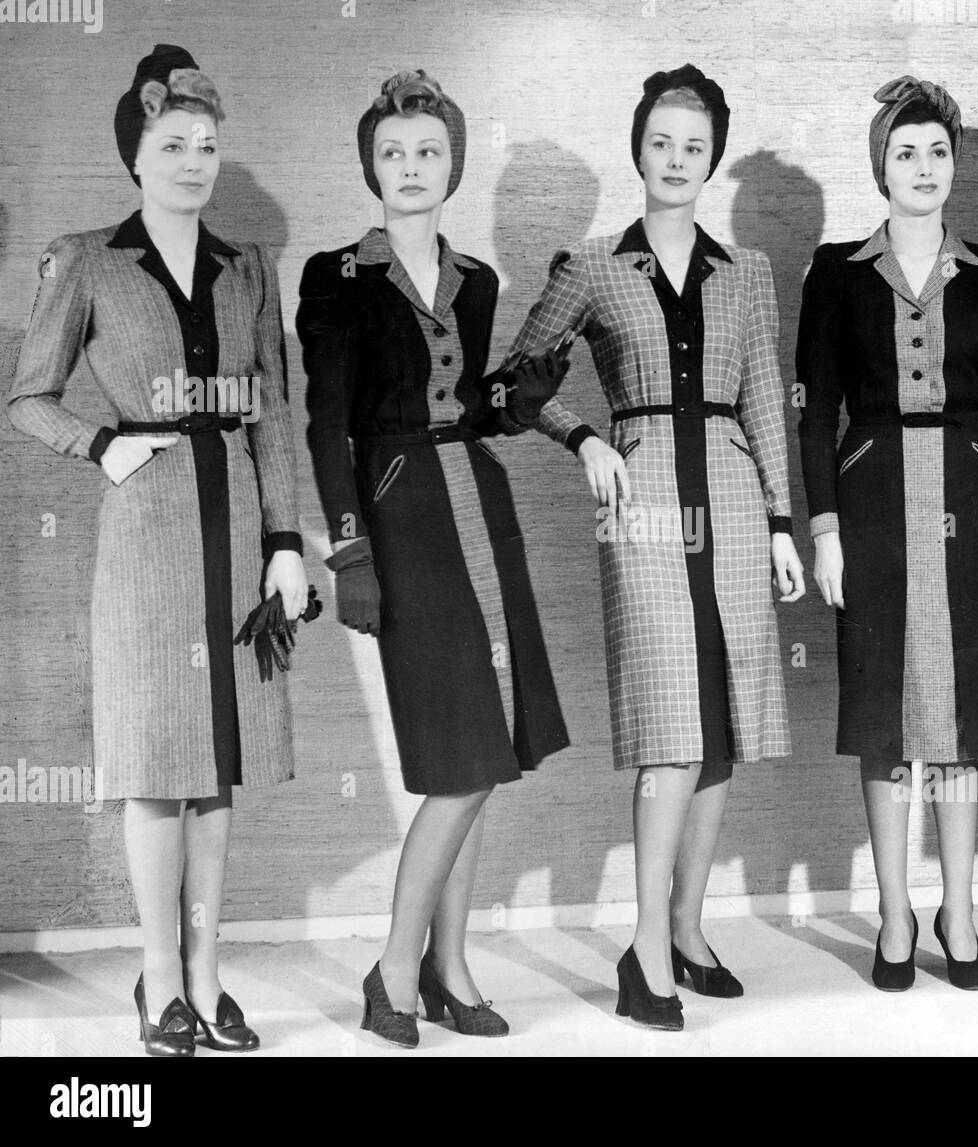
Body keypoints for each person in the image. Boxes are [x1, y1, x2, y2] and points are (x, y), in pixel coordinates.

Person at [7, 44, 307, 1055]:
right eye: (171, 142)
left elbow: (274, 416)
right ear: (135, 153)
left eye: (208, 144)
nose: (192, 159)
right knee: (153, 765)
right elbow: (27, 395)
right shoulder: (88, 260)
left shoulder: (249, 271)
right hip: (144, 541)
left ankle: (212, 981)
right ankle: (161, 984)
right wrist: (101, 443)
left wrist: (286, 543)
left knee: (216, 768)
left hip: (235, 536)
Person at [508, 64, 803, 1030]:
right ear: (638, 149)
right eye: (661, 142)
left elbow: (764, 397)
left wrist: (780, 520)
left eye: (693, 145)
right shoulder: (592, 266)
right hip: (640, 498)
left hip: (728, 484)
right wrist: (583, 436)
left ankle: (686, 927)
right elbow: (511, 383)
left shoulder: (748, 272)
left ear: (711, 156)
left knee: (720, 725)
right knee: (671, 724)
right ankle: (642, 950)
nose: (677, 160)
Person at [299, 70, 570, 1046]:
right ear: (369, 165)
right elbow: (327, 422)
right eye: (392, 153)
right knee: (458, 759)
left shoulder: (480, 281)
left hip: (480, 511)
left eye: (427, 152)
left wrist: (523, 399)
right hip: (400, 517)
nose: (410, 169)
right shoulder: (337, 277)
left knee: (485, 751)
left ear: (452, 163)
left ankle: (452, 968)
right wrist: (347, 546)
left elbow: (472, 408)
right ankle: (393, 969)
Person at [798, 76, 978, 993]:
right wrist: (823, 528)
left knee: (960, 716)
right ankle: (897, 912)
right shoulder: (835, 271)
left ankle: (958, 908)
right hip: (869, 506)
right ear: (880, 165)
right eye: (905, 152)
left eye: (938, 151)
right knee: (884, 713)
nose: (923, 166)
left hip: (970, 503)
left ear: (955, 164)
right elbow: (812, 412)